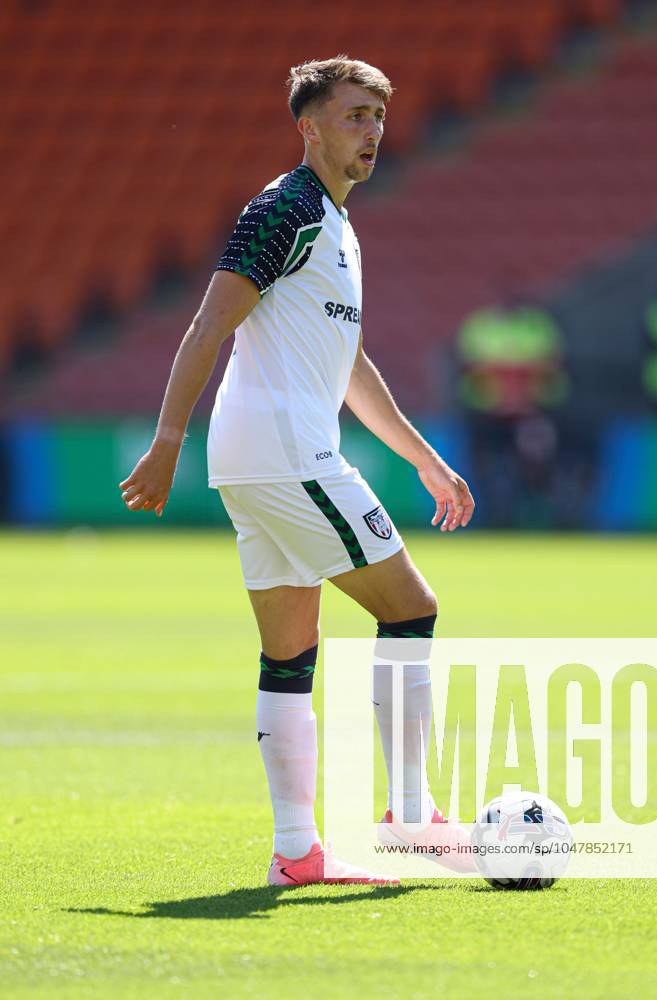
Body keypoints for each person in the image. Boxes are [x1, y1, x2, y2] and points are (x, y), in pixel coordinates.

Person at [119, 57, 475, 886]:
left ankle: (296, 852)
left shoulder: (338, 226)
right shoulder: (287, 209)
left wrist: (424, 459)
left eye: (378, 116)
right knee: (412, 608)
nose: (372, 131)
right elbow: (208, 323)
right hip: (287, 454)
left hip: (259, 459)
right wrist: (167, 438)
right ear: (309, 127)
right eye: (354, 116)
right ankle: (410, 815)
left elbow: (351, 368)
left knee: (289, 653)